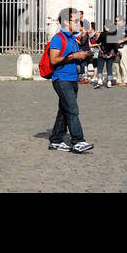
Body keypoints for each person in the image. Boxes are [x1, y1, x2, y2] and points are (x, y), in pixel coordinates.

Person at [47, 9, 94, 153]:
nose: (79, 24)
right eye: (76, 21)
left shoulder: (73, 39)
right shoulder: (58, 38)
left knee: (64, 110)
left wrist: (86, 56)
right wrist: (74, 56)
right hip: (62, 79)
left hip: (73, 78)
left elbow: (75, 56)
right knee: (73, 109)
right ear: (66, 22)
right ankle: (78, 141)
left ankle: (55, 140)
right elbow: (53, 60)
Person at [93, 22, 118, 88]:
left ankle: (100, 80)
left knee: (100, 67)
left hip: (102, 53)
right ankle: (109, 81)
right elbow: (115, 45)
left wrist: (98, 36)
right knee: (109, 67)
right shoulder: (113, 35)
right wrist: (116, 52)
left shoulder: (102, 34)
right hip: (111, 53)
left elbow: (97, 42)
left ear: (105, 26)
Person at [113, 15, 127, 85]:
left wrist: (123, 40)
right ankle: (119, 80)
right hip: (116, 47)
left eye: (117, 21)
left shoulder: (126, 27)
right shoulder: (116, 28)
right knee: (116, 64)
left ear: (121, 21)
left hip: (124, 46)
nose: (116, 22)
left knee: (123, 63)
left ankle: (126, 80)